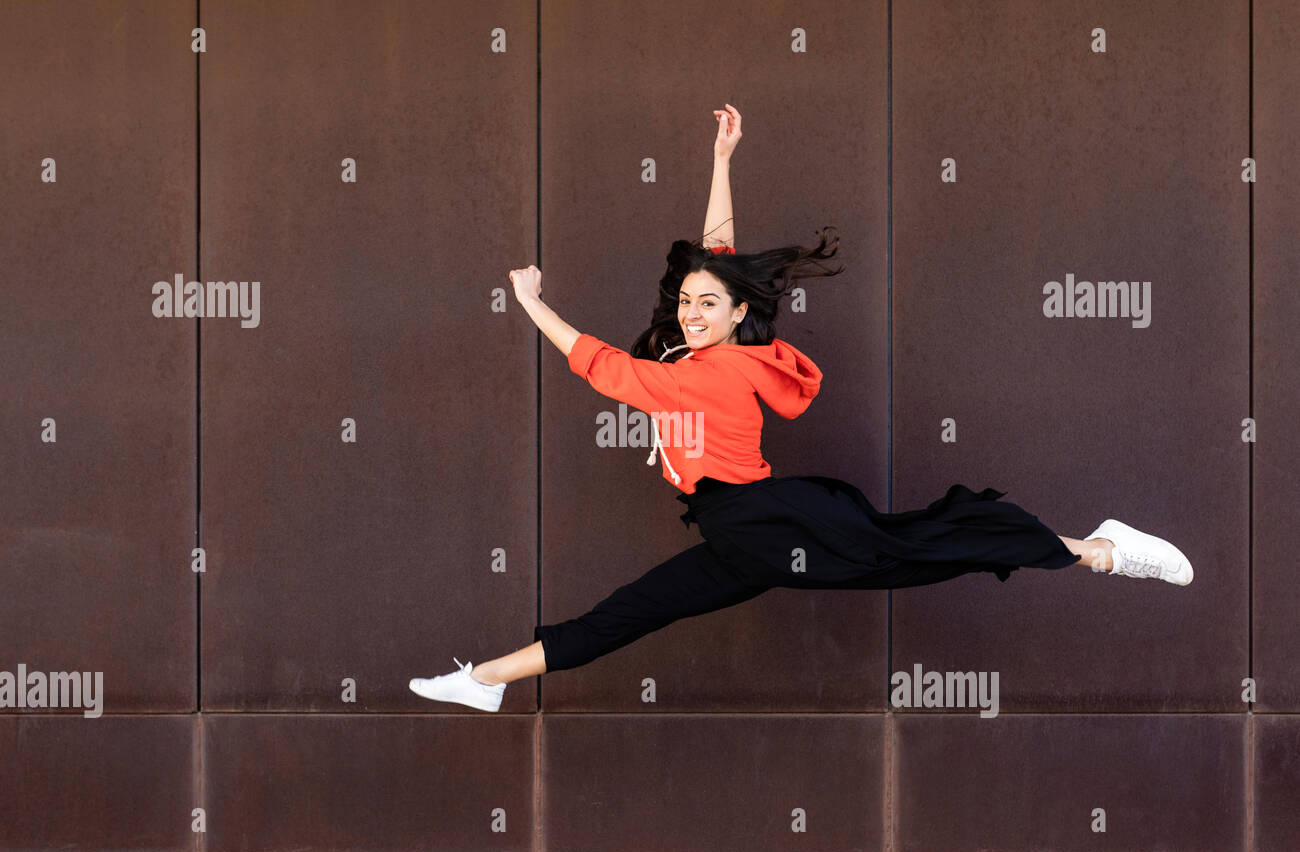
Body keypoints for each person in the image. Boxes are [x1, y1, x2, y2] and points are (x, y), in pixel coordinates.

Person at [409, 103, 1192, 713]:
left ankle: (1098, 548)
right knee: (629, 615)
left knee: (908, 549)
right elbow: (717, 258)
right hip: (732, 534)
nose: (691, 311)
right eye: (686, 302)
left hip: (764, 518)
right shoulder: (698, 353)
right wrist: (721, 160)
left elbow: (596, 362)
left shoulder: (704, 374)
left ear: (732, 316)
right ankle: (487, 679)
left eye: (707, 306)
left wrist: (530, 302)